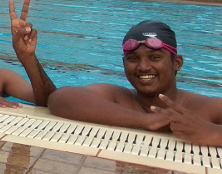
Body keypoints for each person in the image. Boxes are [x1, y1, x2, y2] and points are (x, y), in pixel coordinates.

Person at [48, 20, 222, 146]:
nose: (143, 67)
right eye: (133, 58)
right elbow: (60, 98)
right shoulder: (118, 98)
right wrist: (146, 120)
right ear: (123, 64)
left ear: (176, 63)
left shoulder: (205, 108)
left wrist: (213, 133)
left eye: (155, 57)